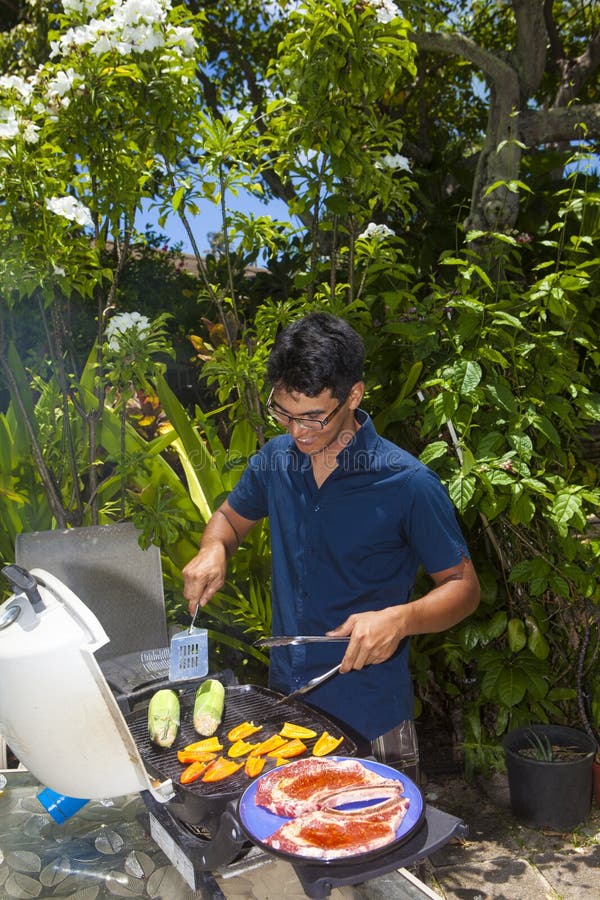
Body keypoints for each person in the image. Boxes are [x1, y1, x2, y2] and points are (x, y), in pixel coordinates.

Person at [182, 312, 480, 778]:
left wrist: (399, 619)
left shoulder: (408, 484)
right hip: (288, 710)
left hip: (371, 717)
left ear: (353, 396)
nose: (298, 431)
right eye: (284, 413)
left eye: (314, 417)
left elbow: (464, 588)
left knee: (382, 843)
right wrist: (213, 548)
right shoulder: (273, 462)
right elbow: (228, 520)